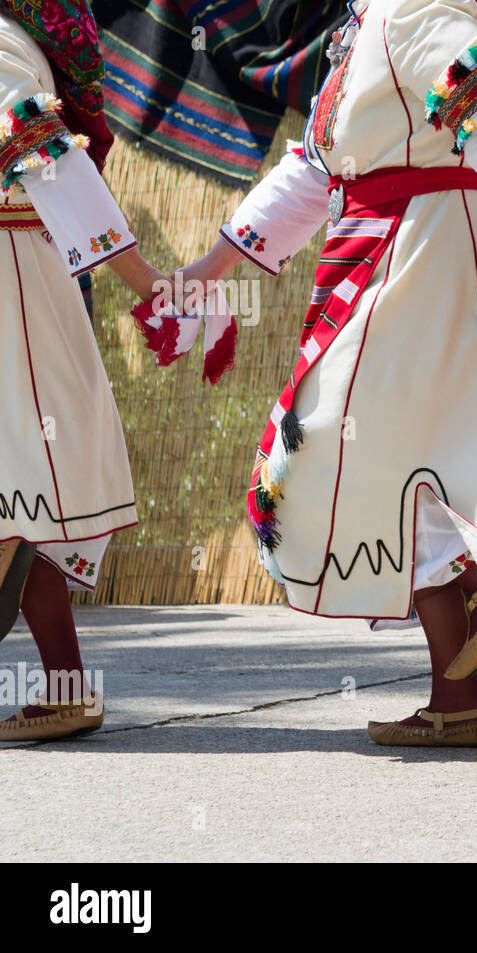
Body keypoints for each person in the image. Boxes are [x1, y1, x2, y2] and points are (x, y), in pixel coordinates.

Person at [172, 0, 477, 747]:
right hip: (393, 252)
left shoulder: (414, 5)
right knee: (402, 464)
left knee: (347, 449)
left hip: (426, 257)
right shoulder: (369, 21)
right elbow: (317, 169)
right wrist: (210, 269)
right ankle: (457, 693)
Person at [0, 0, 164, 740]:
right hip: (21, 273)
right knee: (23, 494)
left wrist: (146, 284)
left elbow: (49, 160)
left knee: (24, 487)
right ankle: (65, 685)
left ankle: (66, 685)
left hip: (12, 277)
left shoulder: (0, 47)